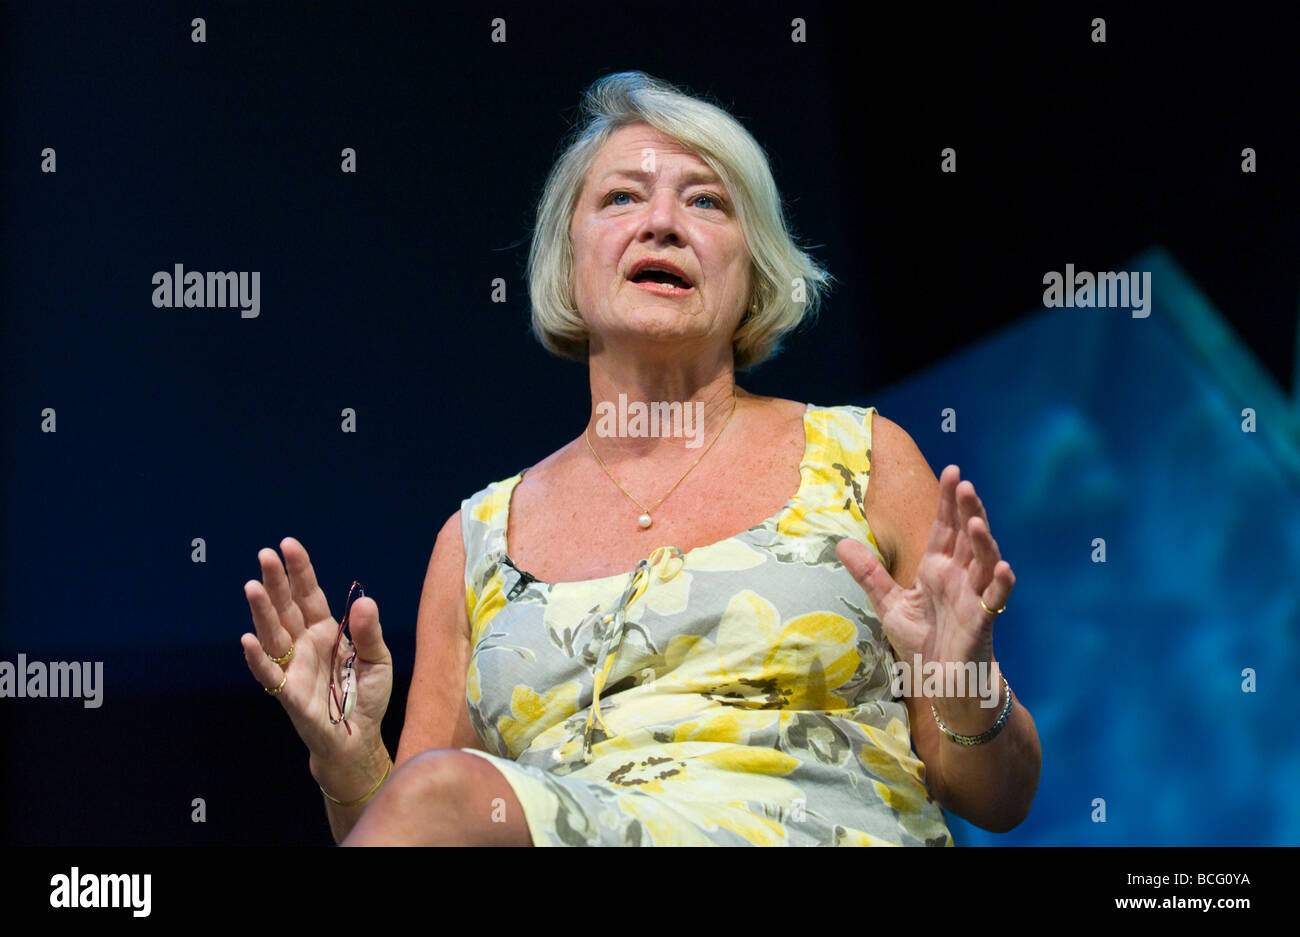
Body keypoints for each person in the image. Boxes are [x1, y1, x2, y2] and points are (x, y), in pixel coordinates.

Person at [240, 70, 1041, 846]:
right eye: (623, 197)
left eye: (705, 201)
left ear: (755, 269)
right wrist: (350, 765)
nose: (661, 223)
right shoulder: (476, 538)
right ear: (568, 260)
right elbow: (415, 822)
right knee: (435, 794)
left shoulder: (864, 457)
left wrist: (962, 677)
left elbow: (999, 798)